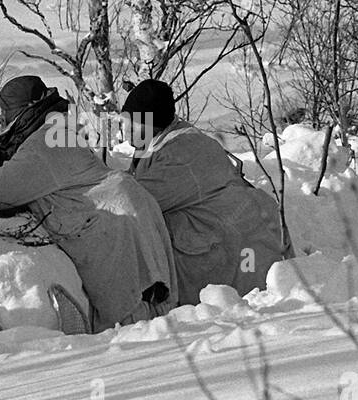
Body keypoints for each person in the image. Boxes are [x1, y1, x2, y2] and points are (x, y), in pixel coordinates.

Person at [0, 76, 177, 330]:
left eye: (5, 114)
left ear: (21, 113)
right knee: (157, 326)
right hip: (128, 214)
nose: (1, 122)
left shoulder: (44, 143)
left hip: (117, 229)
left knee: (132, 331)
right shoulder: (58, 132)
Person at [122, 79, 285, 303]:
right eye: (125, 121)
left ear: (155, 123)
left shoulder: (179, 155)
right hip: (236, 241)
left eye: (135, 123)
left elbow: (135, 204)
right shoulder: (162, 138)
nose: (126, 130)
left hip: (234, 255)